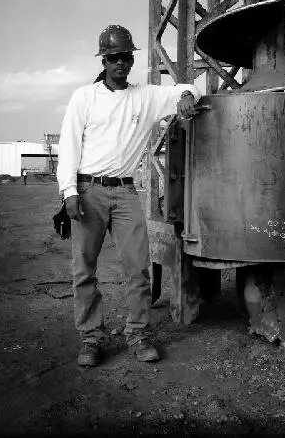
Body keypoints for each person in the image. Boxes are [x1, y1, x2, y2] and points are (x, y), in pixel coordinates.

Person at [57, 24, 202, 367]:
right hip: (88, 189)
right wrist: (69, 192)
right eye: (113, 58)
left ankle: (138, 333)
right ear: (104, 61)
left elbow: (189, 88)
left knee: (138, 268)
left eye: (125, 56)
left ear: (131, 59)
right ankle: (91, 339)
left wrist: (186, 98)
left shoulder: (146, 96)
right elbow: (69, 146)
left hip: (125, 192)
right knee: (84, 270)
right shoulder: (84, 97)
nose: (120, 63)